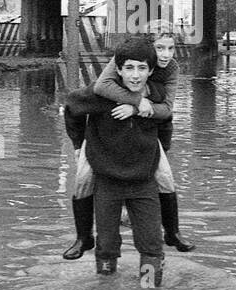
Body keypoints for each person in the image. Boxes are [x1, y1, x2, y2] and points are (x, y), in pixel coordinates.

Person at [62, 29, 194, 260]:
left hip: (145, 150)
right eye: (160, 48)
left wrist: (160, 143)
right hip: (100, 148)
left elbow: (167, 114)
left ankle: (172, 232)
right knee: (82, 180)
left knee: (166, 178)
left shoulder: (164, 81)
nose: (165, 55)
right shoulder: (109, 79)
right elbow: (75, 104)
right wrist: (77, 144)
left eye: (171, 48)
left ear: (150, 69)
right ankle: (83, 237)